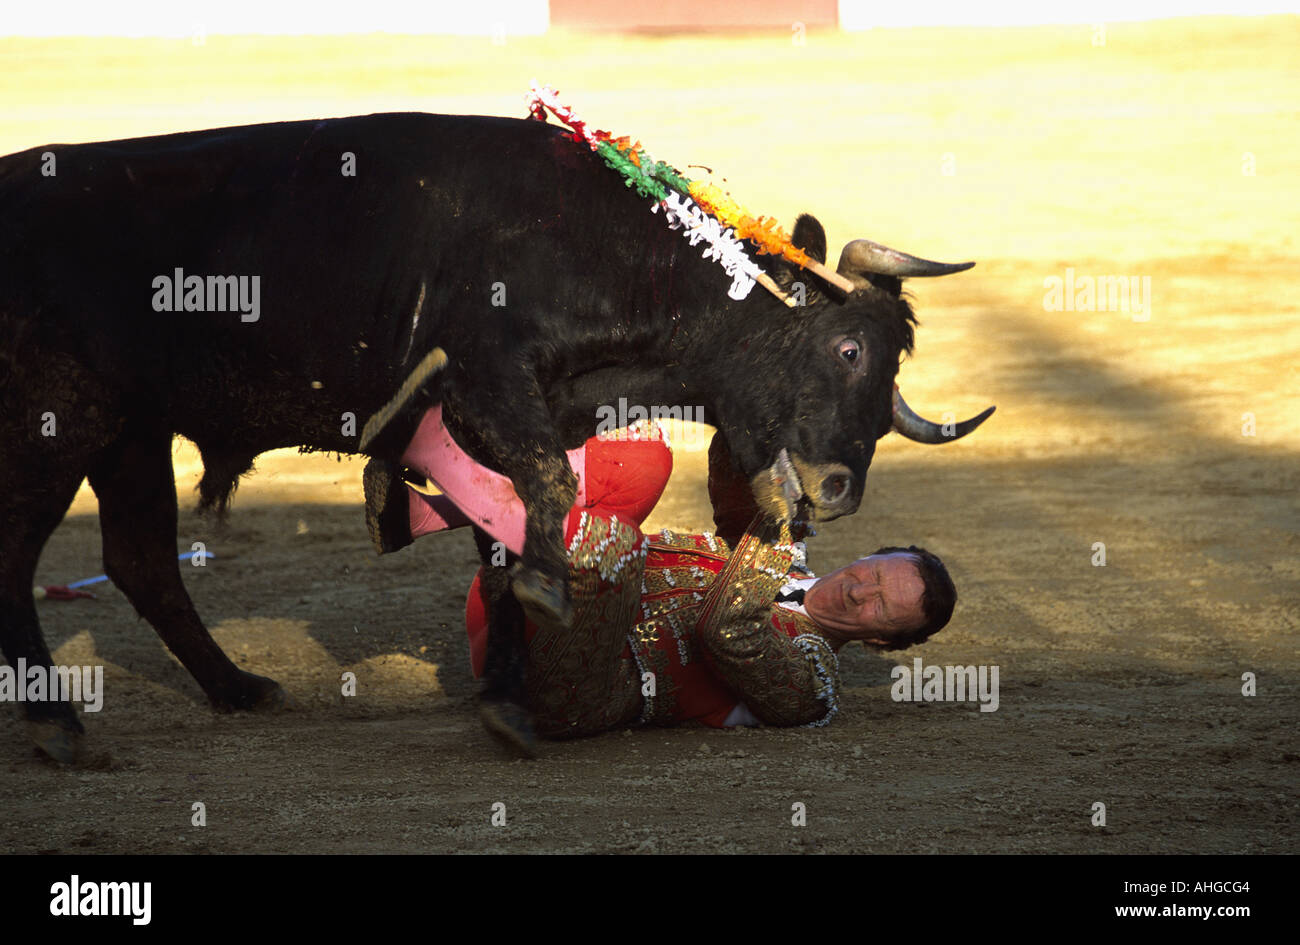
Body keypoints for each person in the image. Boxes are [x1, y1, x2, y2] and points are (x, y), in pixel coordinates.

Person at [364, 413, 956, 739]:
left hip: (566, 690)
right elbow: (731, 467)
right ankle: (420, 513)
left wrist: (783, 529)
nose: (860, 591)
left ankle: (441, 459)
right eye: (874, 574)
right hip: (500, 605)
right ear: (866, 557)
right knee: (641, 447)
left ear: (880, 640)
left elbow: (729, 631)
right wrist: (774, 423)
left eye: (881, 606)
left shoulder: (814, 683)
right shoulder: (778, 552)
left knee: (615, 549)